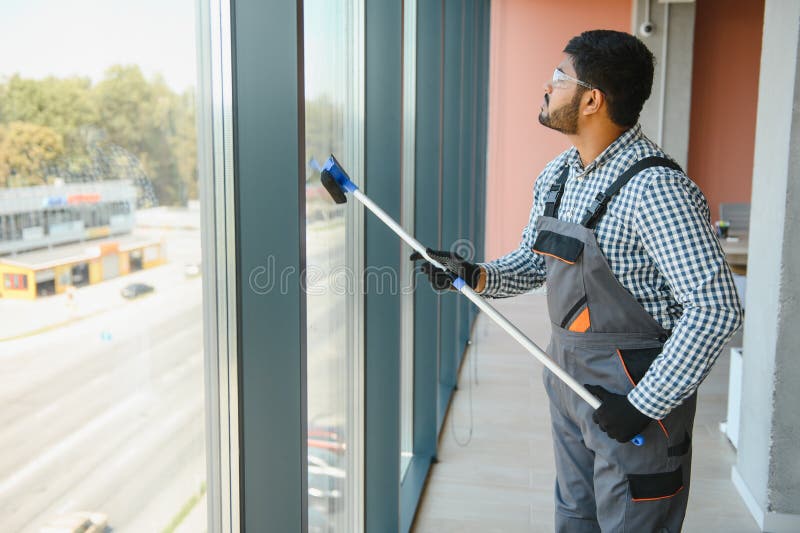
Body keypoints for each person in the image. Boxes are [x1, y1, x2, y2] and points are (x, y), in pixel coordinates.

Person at [412, 30, 743, 532]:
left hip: (635, 390)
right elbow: (532, 260)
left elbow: (715, 308)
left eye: (558, 78)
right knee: (575, 516)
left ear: (592, 99)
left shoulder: (656, 189)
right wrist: (475, 275)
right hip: (568, 378)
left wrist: (642, 404)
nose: (547, 88)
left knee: (632, 522)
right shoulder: (559, 175)